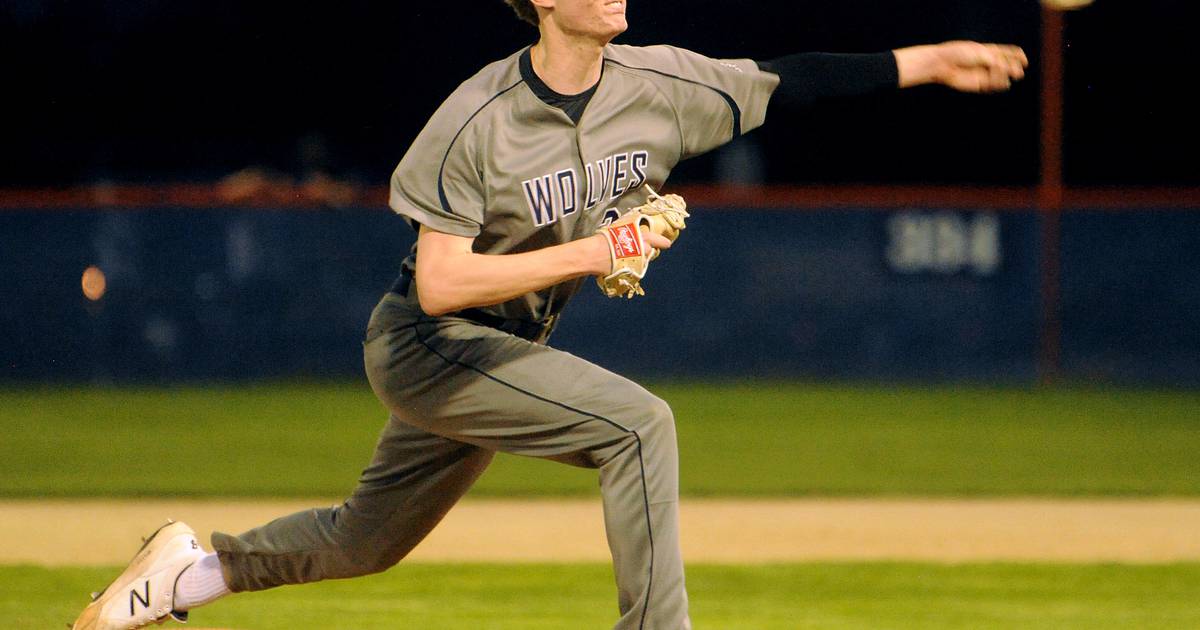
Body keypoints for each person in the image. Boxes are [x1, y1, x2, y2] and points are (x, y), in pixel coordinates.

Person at [72, 1, 1027, 628]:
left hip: (501, 349)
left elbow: (789, 79)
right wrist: (599, 250)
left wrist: (926, 61)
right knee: (640, 428)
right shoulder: (474, 118)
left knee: (367, 541)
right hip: (427, 342)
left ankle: (187, 573)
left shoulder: (662, 85)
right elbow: (442, 284)